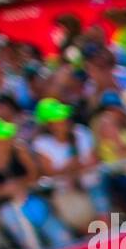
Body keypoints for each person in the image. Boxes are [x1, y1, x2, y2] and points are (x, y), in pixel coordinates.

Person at [0, 117, 72, 249]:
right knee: (30, 244)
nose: (8, 138)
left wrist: (20, 185)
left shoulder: (19, 148)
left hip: (31, 199)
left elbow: (34, 174)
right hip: (5, 207)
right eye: (3, 137)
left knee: (61, 237)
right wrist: (6, 190)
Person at [30, 98, 108, 233]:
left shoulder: (81, 132)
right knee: (82, 221)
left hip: (92, 183)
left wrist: (77, 167)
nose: (63, 121)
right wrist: (71, 167)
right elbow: (49, 172)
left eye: (63, 117)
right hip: (66, 191)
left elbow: (95, 159)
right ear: (48, 125)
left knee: (100, 201)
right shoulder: (41, 143)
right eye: (58, 119)